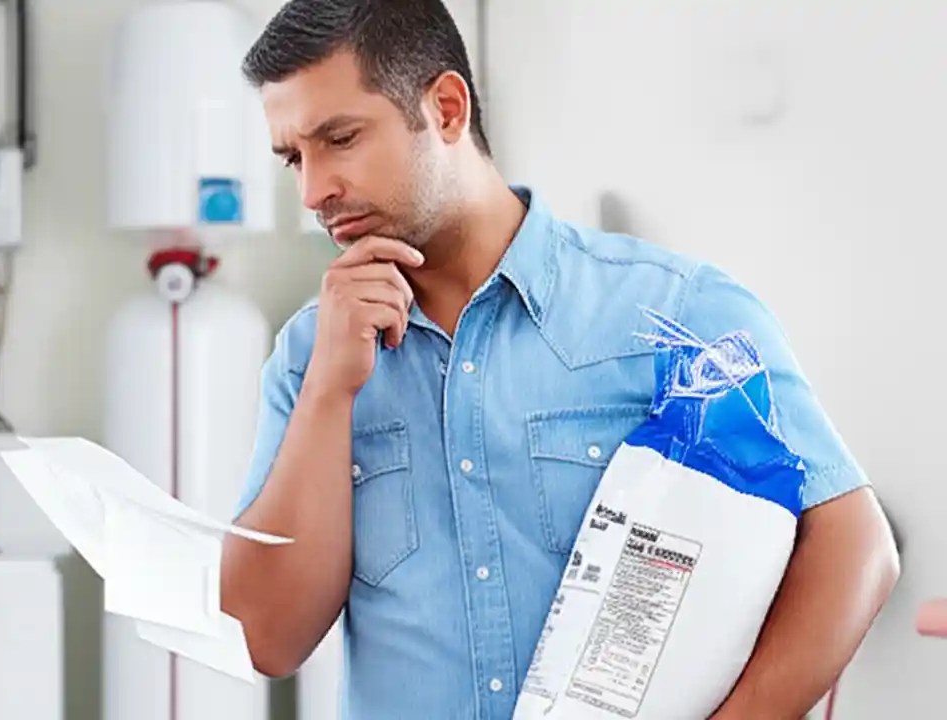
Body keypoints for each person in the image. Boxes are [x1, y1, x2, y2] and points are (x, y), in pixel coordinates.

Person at [219, 1, 900, 718]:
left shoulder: (675, 312)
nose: (312, 190)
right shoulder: (309, 356)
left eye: (340, 138)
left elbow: (855, 543)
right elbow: (265, 638)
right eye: (294, 157)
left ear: (446, 109)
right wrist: (331, 388)